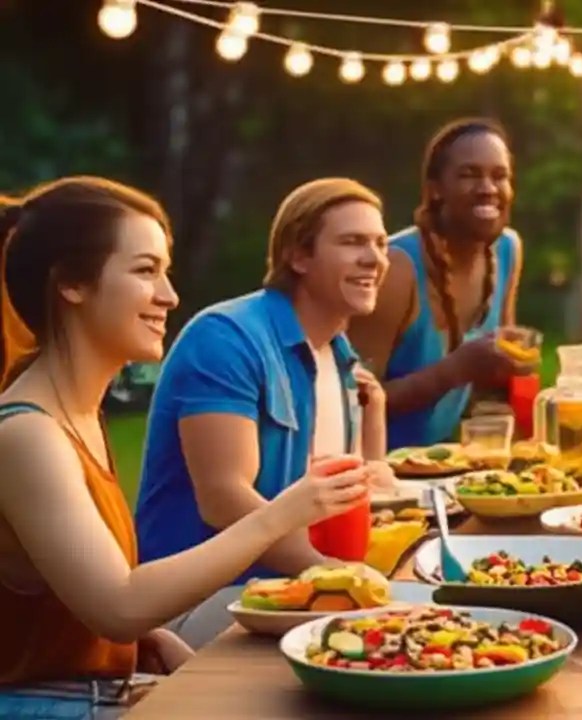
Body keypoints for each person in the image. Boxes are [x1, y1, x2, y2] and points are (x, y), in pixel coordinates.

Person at [0, 177, 370, 717]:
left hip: (100, 693)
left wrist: (149, 640)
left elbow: (84, 600)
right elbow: (119, 604)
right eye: (146, 271)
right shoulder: (27, 435)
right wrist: (281, 514)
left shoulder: (74, 415)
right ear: (72, 284)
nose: (170, 295)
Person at [135, 177, 393, 649]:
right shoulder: (226, 338)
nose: (375, 258)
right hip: (201, 605)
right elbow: (223, 497)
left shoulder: (338, 355)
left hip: (287, 589)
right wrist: (333, 575)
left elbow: (340, 494)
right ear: (298, 256)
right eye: (353, 242)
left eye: (379, 243)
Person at [347, 118, 532, 450]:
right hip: (375, 471)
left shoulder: (506, 250)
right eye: (468, 174)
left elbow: (493, 383)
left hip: (445, 465)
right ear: (435, 189)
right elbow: (350, 404)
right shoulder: (395, 269)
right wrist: (454, 370)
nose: (488, 187)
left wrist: (510, 367)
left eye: (499, 175)